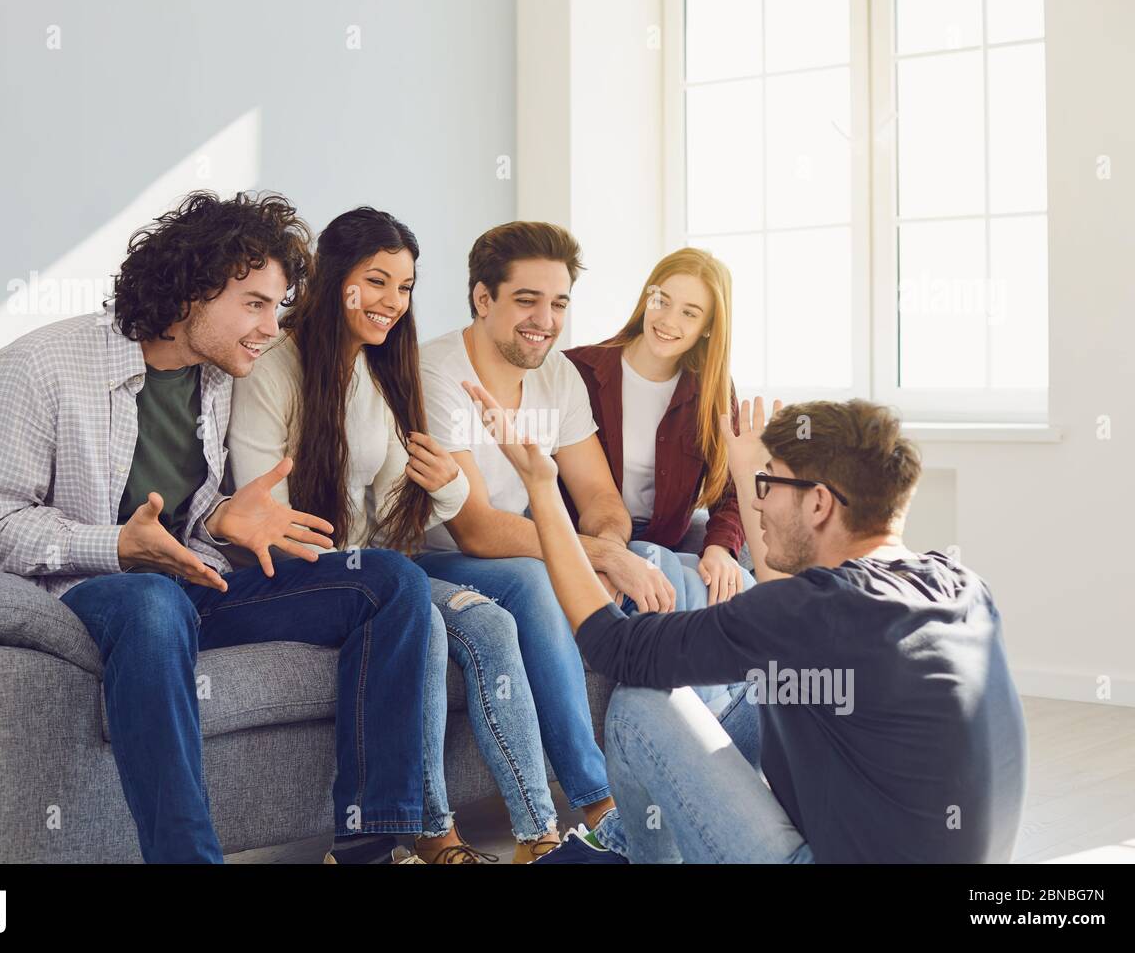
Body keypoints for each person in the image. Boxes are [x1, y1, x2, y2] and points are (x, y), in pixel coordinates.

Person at [0, 191, 432, 864]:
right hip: (89, 595)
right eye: (254, 304)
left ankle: (370, 845)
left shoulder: (215, 378)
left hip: (192, 589)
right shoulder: (38, 366)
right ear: (190, 293)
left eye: (278, 305)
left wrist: (221, 519)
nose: (272, 327)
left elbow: (190, 522)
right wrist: (119, 545)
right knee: (152, 600)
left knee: (388, 581)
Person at [465, 382, 1028, 864]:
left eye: (770, 485)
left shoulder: (811, 614)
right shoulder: (960, 586)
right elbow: (793, 612)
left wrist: (542, 485)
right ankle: (613, 844)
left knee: (640, 706)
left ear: (820, 505)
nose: (756, 504)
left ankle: (619, 852)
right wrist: (744, 467)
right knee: (776, 678)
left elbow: (614, 645)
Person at [228, 207, 563, 863]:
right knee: (425, 623)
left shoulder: (376, 373)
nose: (392, 302)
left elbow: (399, 513)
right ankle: (438, 836)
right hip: (304, 578)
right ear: (334, 278)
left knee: (491, 625)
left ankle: (539, 837)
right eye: (377, 282)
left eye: (405, 287)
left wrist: (442, 481)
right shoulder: (275, 368)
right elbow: (264, 510)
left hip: (380, 573)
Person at [416, 221, 686, 862]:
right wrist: (595, 554)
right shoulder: (435, 371)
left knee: (658, 561)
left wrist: (616, 545)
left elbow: (599, 499)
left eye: (559, 302)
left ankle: (686, 769)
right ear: (483, 299)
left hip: (534, 541)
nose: (546, 319)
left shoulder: (558, 377)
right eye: (527, 300)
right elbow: (475, 526)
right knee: (539, 581)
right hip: (443, 555)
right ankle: (599, 802)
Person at [565, 247, 756, 724]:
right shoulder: (578, 371)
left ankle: (742, 732)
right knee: (667, 567)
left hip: (664, 534)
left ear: (708, 326)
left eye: (690, 312)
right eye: (661, 300)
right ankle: (713, 730)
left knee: (735, 589)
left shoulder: (710, 388)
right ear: (645, 298)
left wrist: (720, 548)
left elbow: (731, 489)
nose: (668, 319)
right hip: (592, 537)